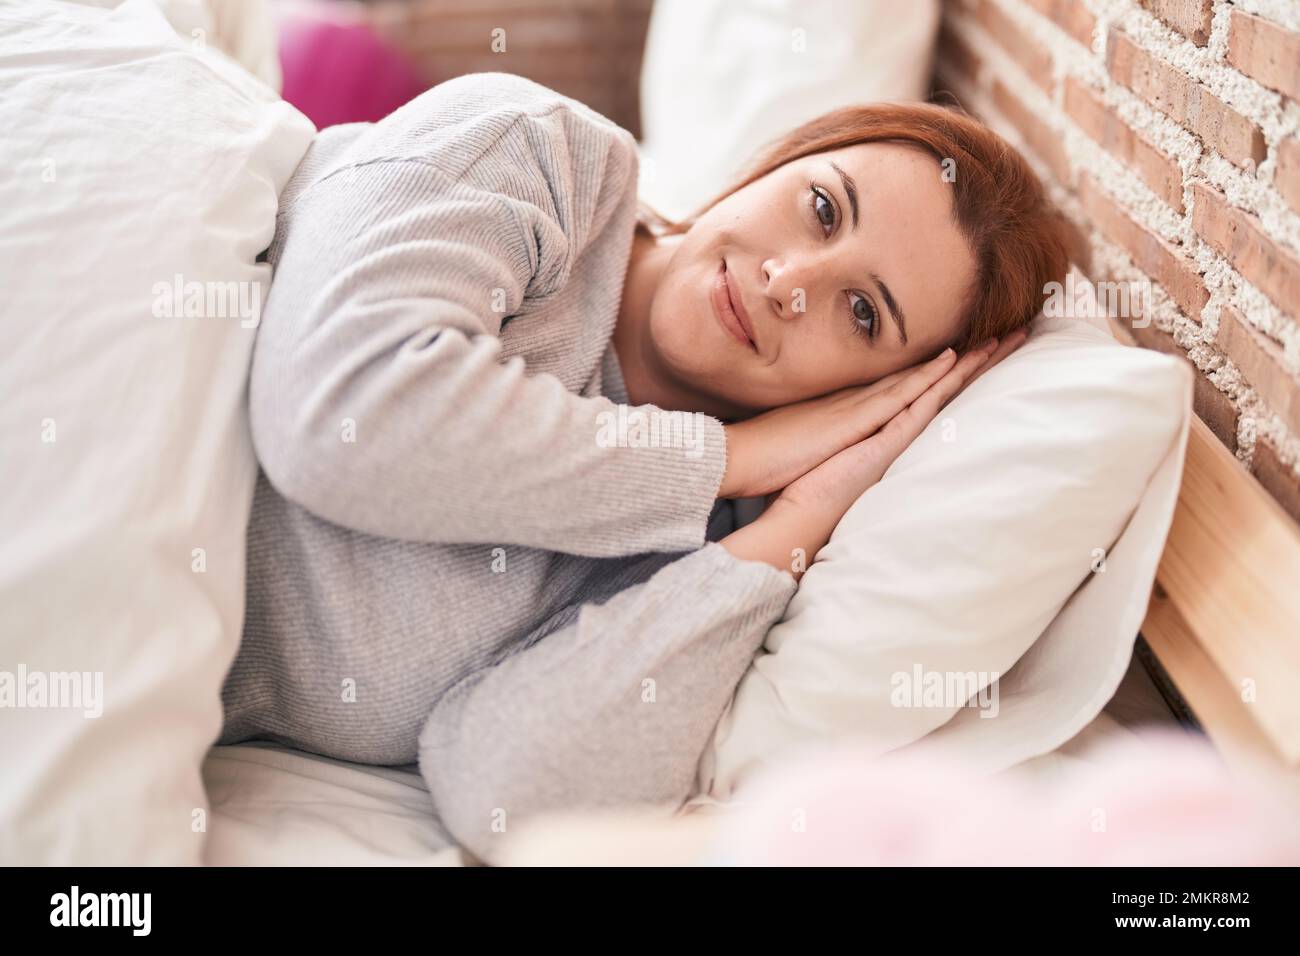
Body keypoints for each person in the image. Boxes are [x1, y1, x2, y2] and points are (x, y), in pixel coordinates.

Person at [218, 71, 1069, 863]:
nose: (790, 282)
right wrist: (729, 458)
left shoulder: (689, 554)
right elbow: (340, 422)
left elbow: (510, 794)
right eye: (821, 207)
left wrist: (797, 520)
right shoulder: (536, 153)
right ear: (774, 165)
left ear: (879, 393)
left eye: (860, 312)